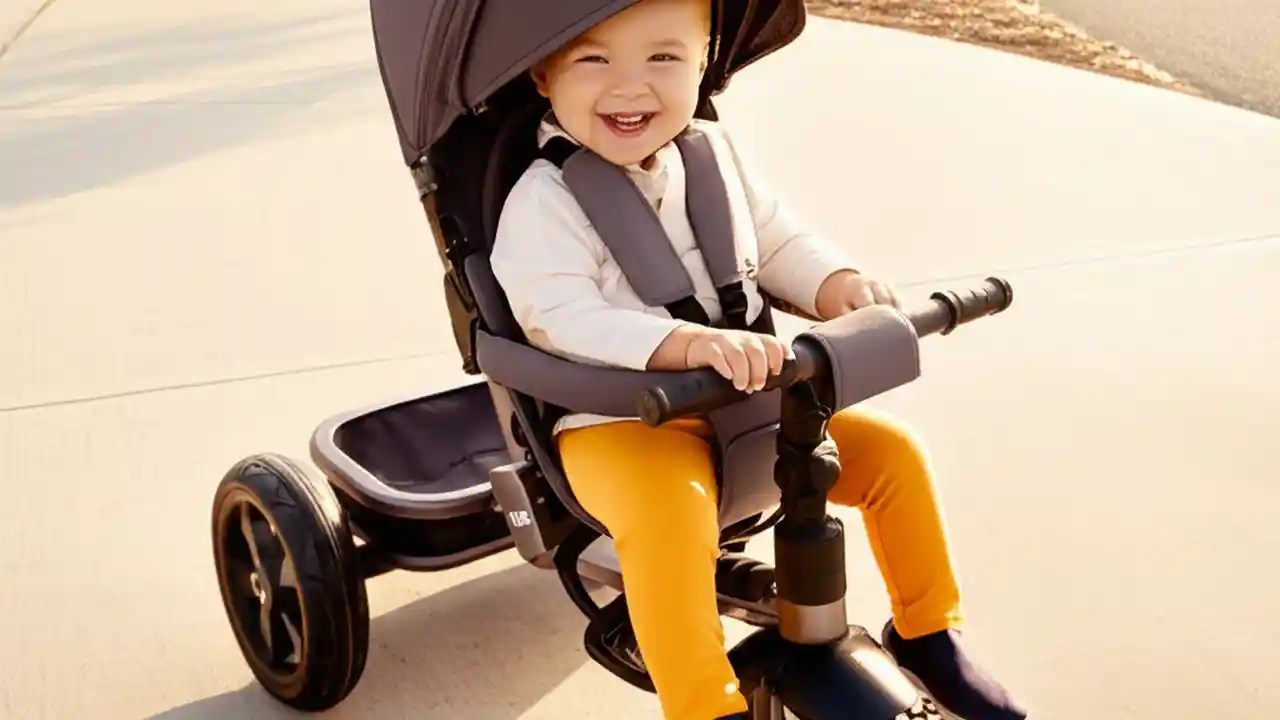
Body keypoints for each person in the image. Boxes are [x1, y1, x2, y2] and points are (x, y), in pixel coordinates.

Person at [492, 2, 1028, 718]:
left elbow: (776, 243)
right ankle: (704, 705)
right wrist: (683, 345)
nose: (630, 87)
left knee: (895, 457)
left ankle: (929, 631)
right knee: (670, 517)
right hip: (623, 422)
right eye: (594, 60)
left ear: (707, 59)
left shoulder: (713, 159)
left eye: (663, 58)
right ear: (542, 71)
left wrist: (839, 284)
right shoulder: (544, 200)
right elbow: (557, 313)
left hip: (749, 402)